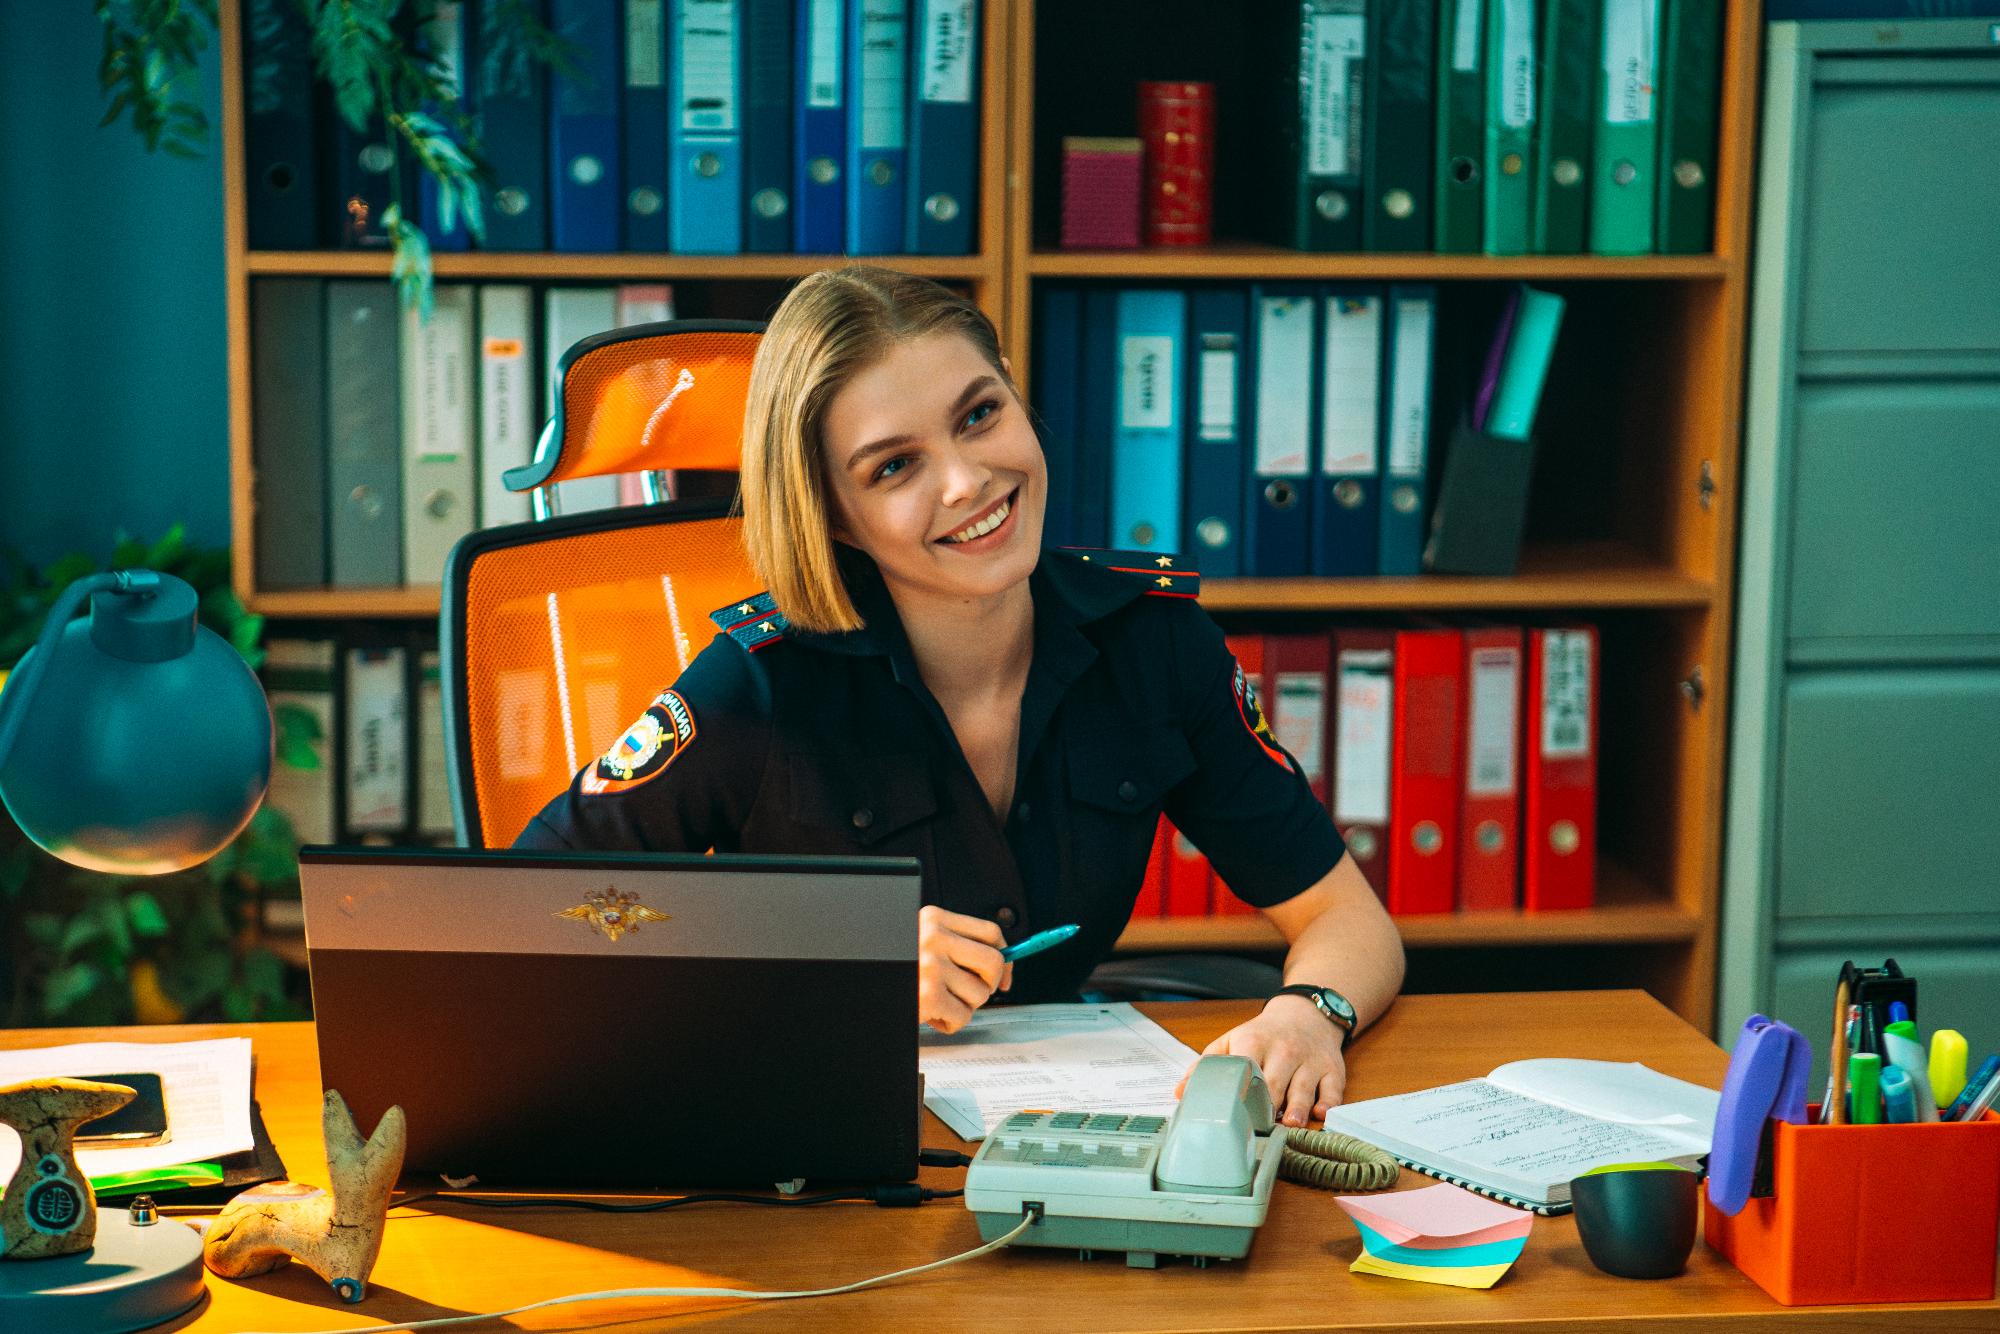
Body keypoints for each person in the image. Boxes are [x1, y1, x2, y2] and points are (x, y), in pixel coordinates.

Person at [518, 266, 1405, 1127]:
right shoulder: (762, 681)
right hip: (828, 1157)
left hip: (1071, 1131)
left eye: (979, 416)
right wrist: (839, 954)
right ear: (830, 514)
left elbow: (1343, 917)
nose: (967, 481)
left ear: (1016, 398)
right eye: (894, 467)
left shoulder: (1154, 644)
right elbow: (532, 916)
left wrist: (1308, 1012)